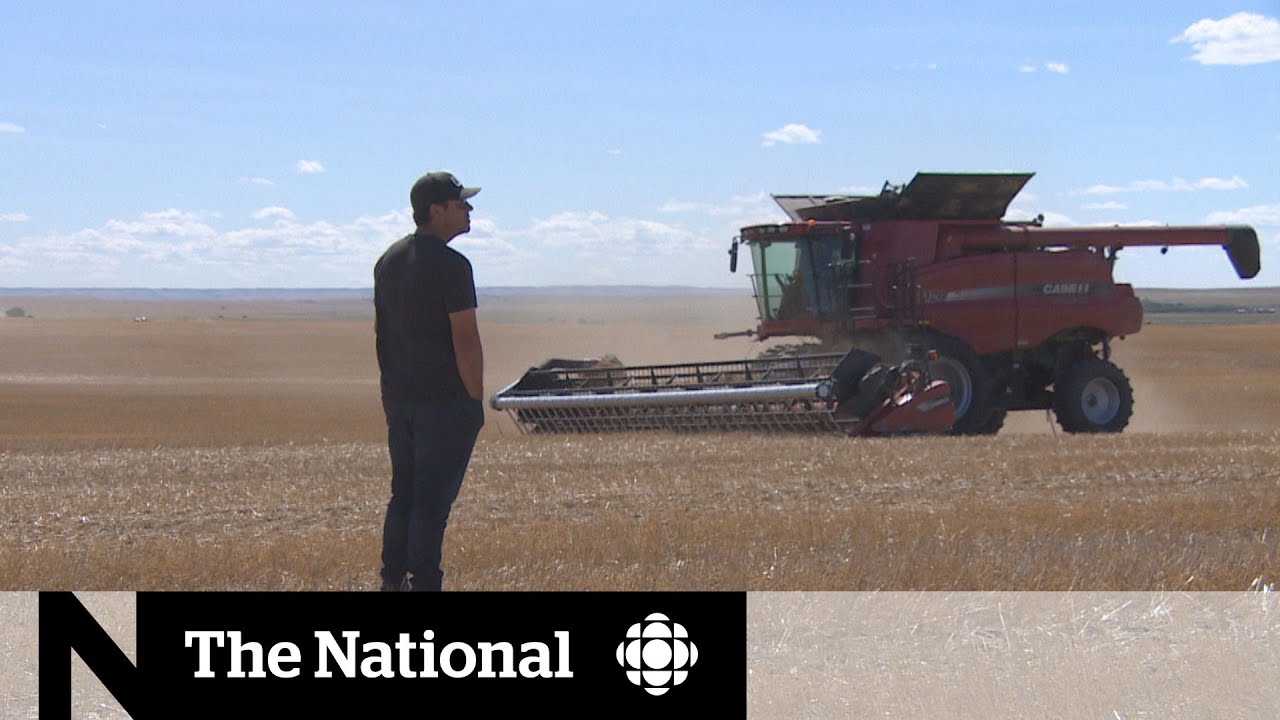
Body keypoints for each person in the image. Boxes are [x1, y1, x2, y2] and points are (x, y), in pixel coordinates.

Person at [374, 171, 486, 591]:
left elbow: (383, 336)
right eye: (461, 204)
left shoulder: (388, 261)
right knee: (431, 505)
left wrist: (392, 396)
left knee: (403, 496)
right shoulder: (453, 267)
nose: (469, 210)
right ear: (436, 211)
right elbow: (466, 340)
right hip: (445, 405)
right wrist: (473, 401)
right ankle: (424, 584)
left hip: (401, 402)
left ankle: (392, 581)